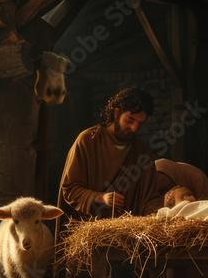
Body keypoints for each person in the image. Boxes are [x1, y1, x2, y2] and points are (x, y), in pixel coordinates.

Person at [57, 87, 164, 221]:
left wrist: (162, 215)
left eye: (140, 123)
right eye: (130, 120)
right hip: (89, 230)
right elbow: (70, 189)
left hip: (127, 232)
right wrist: (99, 197)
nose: (135, 128)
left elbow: (149, 199)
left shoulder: (143, 153)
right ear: (116, 113)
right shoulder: (87, 141)